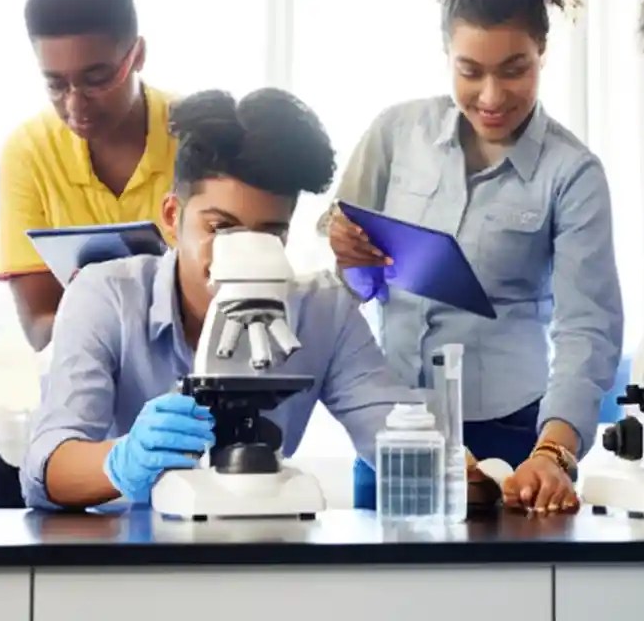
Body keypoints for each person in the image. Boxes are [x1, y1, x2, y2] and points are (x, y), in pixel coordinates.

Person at [323, 0, 623, 514]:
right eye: (470, 70)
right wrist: (344, 254)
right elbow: (347, 287)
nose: (491, 95)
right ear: (446, 56)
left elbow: (587, 329)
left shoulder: (573, 173)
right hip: (394, 425)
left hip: (513, 434)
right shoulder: (395, 133)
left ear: (542, 53)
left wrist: (553, 453)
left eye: (514, 69)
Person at [21, 88, 417, 509]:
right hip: (128, 539)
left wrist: (451, 468)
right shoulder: (105, 295)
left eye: (269, 233)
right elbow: (45, 471)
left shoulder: (325, 310)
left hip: (261, 538)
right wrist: (122, 461)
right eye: (221, 228)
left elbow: (396, 437)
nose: (246, 251)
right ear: (172, 217)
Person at [0, 0, 177, 353]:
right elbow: (40, 329)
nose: (75, 104)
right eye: (56, 84)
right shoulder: (29, 152)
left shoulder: (197, 138)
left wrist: (90, 308)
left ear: (138, 56)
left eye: (96, 80)